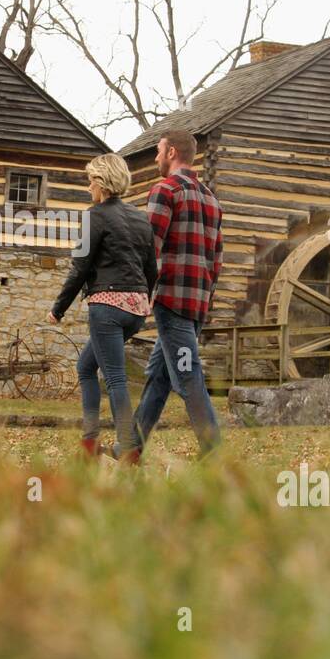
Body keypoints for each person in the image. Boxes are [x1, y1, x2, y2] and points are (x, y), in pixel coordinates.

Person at [119, 130, 223, 463]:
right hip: (196, 303)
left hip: (171, 302)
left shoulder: (164, 191)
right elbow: (216, 260)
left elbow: (149, 250)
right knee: (160, 377)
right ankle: (130, 449)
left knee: (187, 374)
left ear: (172, 152)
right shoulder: (211, 199)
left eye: (158, 151)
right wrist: (204, 298)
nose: (155, 158)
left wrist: (138, 294)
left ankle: (215, 457)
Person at [48, 153, 157, 458]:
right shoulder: (140, 218)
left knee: (115, 378)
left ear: (102, 182)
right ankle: (90, 441)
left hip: (107, 307)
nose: (88, 188)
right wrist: (141, 298)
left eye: (90, 181)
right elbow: (152, 271)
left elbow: (79, 268)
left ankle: (129, 448)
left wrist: (58, 309)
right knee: (85, 367)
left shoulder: (92, 216)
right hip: (135, 308)